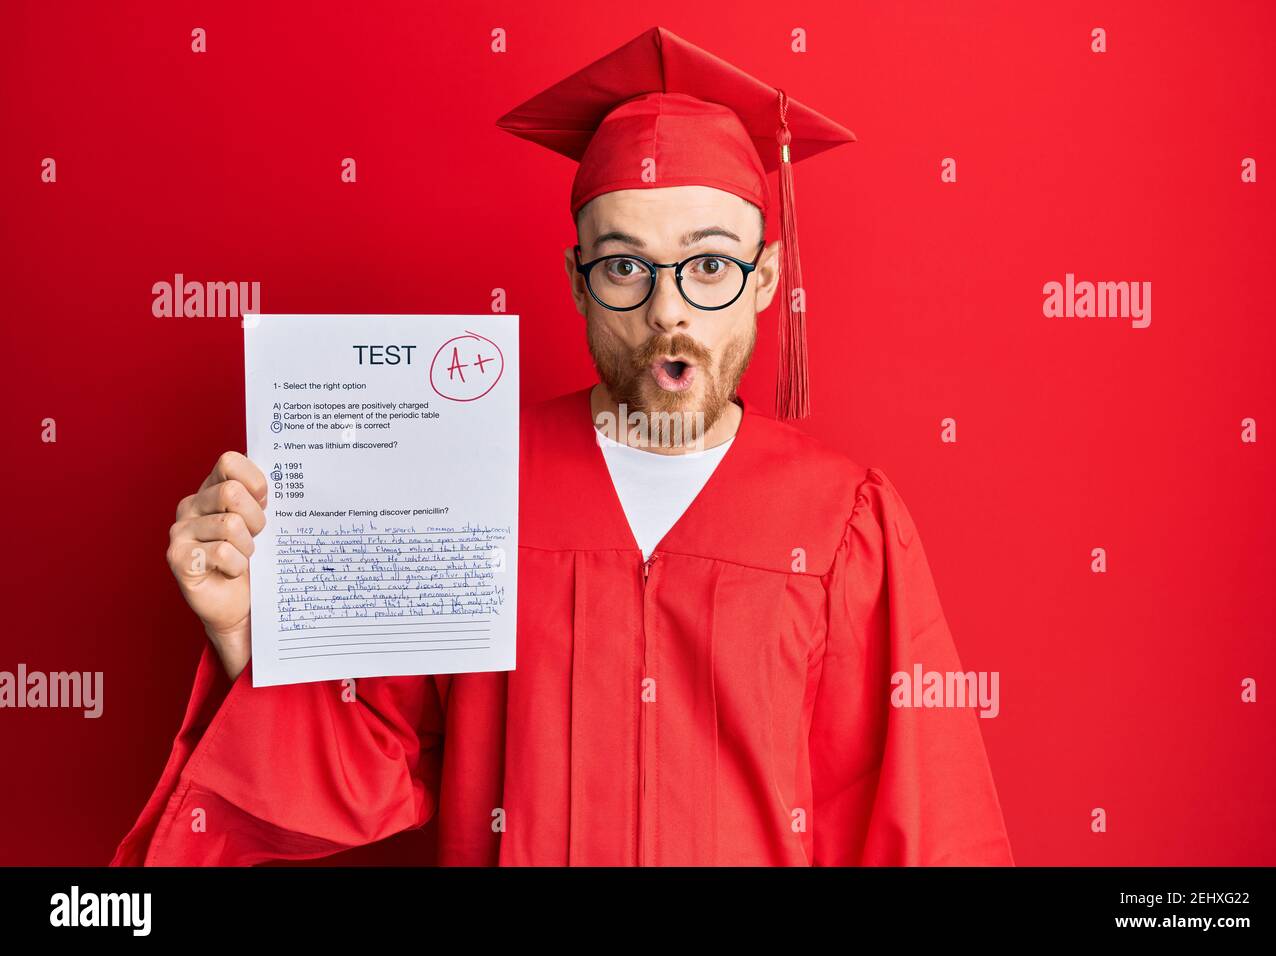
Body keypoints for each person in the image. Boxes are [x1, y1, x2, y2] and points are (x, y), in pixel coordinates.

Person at [111, 26, 1014, 866]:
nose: (667, 310)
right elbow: (372, 758)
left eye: (708, 265)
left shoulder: (841, 521)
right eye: (624, 266)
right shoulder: (473, 477)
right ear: (577, 281)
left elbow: (921, 821)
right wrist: (242, 628)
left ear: (766, 278)